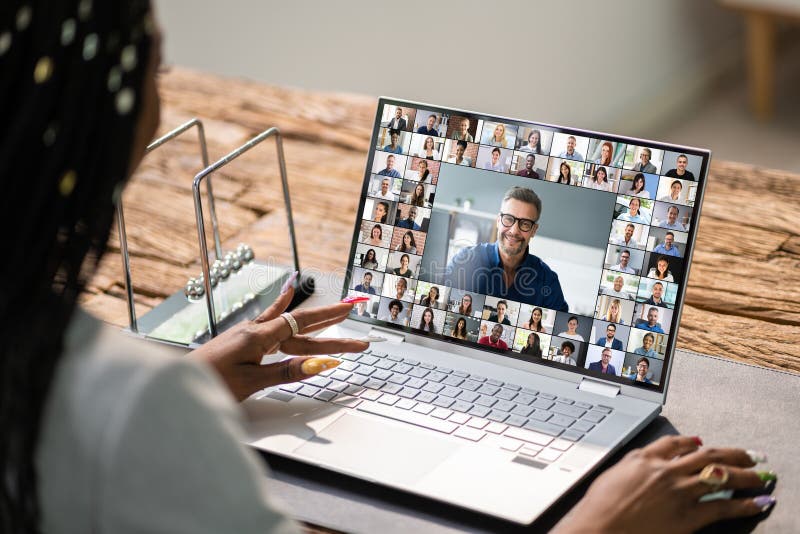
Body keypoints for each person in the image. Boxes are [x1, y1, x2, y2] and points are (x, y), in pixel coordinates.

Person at [8, 6, 770, 534]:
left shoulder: (550, 286)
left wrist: (192, 385)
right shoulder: (123, 403)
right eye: (155, 56)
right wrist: (601, 524)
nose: (163, 73)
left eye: (525, 225)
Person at [444, 187, 568, 310]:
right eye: (508, 219)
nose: (514, 231)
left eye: (525, 224)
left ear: (534, 230)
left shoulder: (548, 280)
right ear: (498, 221)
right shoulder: (466, 261)